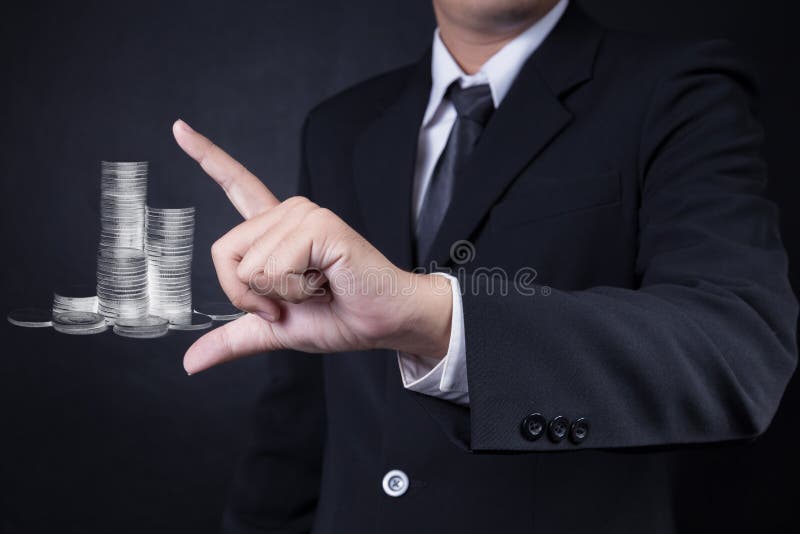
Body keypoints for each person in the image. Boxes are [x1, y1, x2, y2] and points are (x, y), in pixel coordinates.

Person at [172, 0, 798, 532]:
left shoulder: (679, 89)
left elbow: (737, 353)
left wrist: (436, 319)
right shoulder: (340, 126)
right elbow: (301, 413)